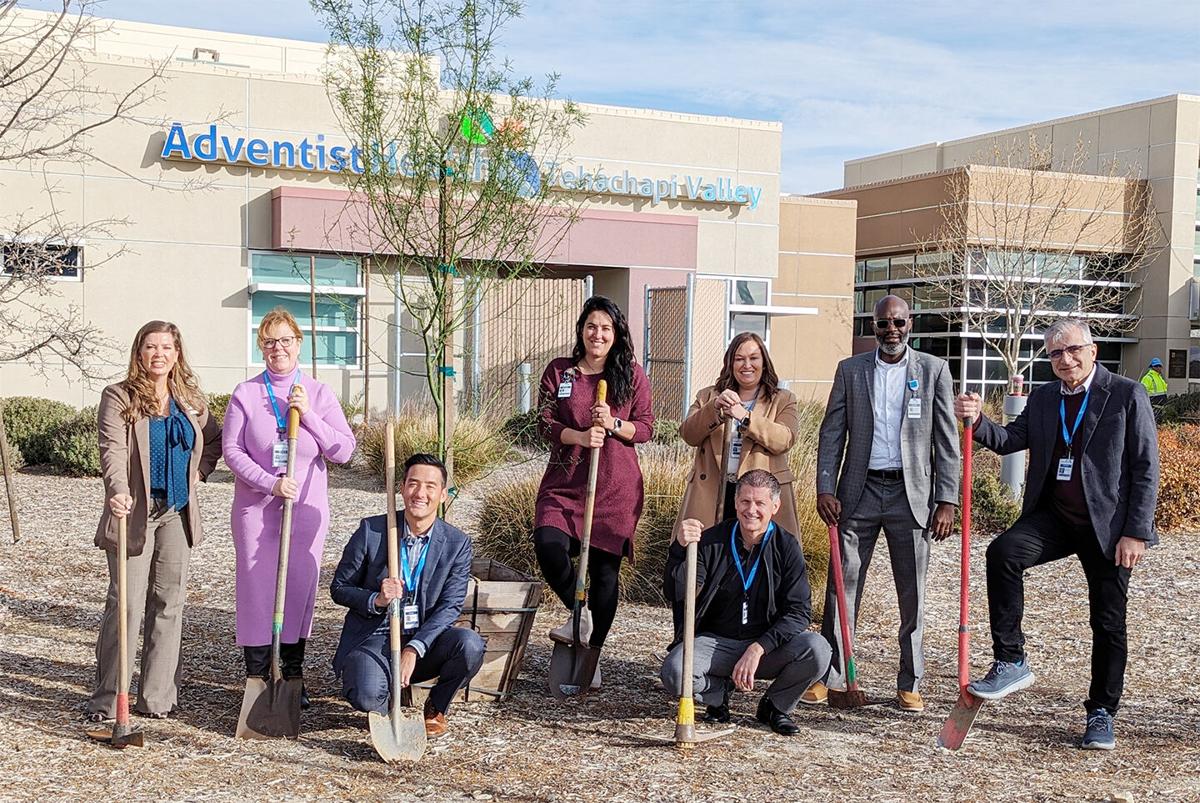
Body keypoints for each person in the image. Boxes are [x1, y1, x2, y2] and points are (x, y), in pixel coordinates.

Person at [954, 318, 1159, 751]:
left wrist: (1135, 533)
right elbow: (1011, 440)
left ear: (1093, 350)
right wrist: (978, 420)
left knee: (1108, 621)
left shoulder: (1125, 394)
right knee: (1003, 553)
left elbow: (1145, 468)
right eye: (1055, 354)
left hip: (1109, 528)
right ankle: (1011, 659)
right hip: (1056, 519)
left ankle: (1102, 711)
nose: (1065, 360)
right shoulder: (1046, 398)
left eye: (1072, 350)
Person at [809, 294, 959, 712]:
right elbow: (831, 433)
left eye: (898, 323)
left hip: (911, 499)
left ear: (911, 324)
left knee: (912, 595)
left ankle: (910, 682)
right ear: (871, 327)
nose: (891, 330)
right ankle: (832, 676)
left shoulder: (933, 371)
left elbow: (947, 441)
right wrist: (825, 487)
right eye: (882, 324)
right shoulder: (851, 371)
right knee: (842, 591)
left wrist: (947, 499)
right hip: (857, 494)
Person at [86, 321, 222, 721]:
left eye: (166, 347)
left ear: (177, 353)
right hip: (134, 512)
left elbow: (212, 441)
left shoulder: (190, 400)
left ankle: (158, 698)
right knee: (125, 606)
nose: (158, 354)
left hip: (177, 513)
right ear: (139, 353)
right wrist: (117, 489)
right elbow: (111, 447)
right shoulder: (119, 396)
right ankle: (110, 699)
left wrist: (200, 472)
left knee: (169, 604)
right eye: (150, 347)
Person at [222, 307, 356, 703]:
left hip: (305, 509)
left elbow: (343, 450)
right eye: (268, 341)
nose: (277, 348)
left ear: (298, 344)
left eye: (285, 340)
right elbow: (232, 450)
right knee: (257, 586)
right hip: (257, 509)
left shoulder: (318, 393)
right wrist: (270, 483)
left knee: (299, 586)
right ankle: (259, 674)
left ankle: (292, 672)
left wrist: (309, 415)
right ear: (261, 347)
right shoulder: (246, 394)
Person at [533, 296, 654, 681]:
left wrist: (615, 424)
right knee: (549, 546)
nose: (597, 334)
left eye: (605, 328)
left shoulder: (631, 375)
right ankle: (578, 615)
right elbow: (543, 422)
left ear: (616, 334)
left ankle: (593, 656)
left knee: (605, 574)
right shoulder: (560, 372)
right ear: (581, 330)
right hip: (565, 484)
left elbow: (647, 427)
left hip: (615, 489)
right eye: (591, 326)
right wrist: (579, 437)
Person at [661, 469, 831, 736]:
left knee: (818, 649)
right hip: (717, 643)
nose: (752, 510)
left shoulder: (787, 547)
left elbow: (799, 612)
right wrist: (680, 549)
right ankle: (717, 696)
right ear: (735, 503)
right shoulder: (712, 540)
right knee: (675, 671)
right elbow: (676, 592)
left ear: (775, 506)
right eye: (745, 501)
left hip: (767, 647)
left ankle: (775, 706)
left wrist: (758, 648)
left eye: (760, 503)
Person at [331, 453, 484, 737]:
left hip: (423, 639)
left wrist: (415, 648)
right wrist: (376, 599)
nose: (420, 493)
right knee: (366, 696)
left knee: (470, 645)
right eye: (413, 484)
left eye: (430, 486)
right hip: (374, 637)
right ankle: (385, 700)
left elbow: (451, 606)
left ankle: (435, 707)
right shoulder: (372, 531)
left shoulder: (456, 544)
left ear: (442, 495)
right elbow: (339, 588)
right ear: (402, 488)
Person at [675, 332, 799, 536]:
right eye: (739, 359)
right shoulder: (708, 395)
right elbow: (688, 434)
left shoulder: (783, 399)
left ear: (764, 362)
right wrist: (714, 409)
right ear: (730, 363)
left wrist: (745, 417)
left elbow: (784, 439)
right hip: (713, 492)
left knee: (758, 559)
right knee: (709, 558)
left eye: (753, 358)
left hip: (757, 496)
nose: (746, 365)